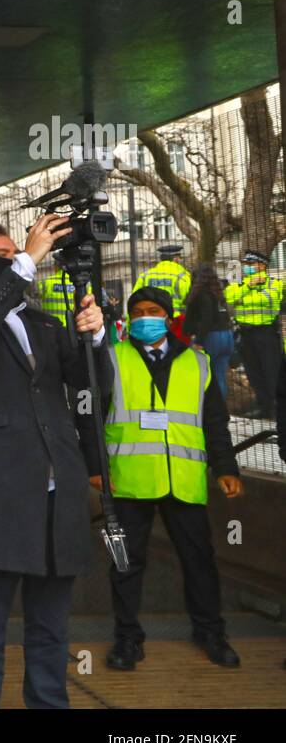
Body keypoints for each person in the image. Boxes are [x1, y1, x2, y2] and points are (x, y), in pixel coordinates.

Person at [0, 217, 107, 709]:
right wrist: (28, 260)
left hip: (57, 500)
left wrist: (95, 341)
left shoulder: (47, 325)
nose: (14, 259)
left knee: (52, 631)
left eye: (17, 253)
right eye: (1, 255)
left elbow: (92, 394)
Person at [91, 287, 243, 670]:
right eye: (138, 311)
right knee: (126, 563)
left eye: (153, 310)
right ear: (129, 319)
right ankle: (127, 640)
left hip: (184, 480)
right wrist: (94, 466)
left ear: (168, 315)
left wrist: (225, 468)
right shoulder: (112, 359)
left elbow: (214, 422)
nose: (145, 317)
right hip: (130, 481)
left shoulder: (199, 362)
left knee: (199, 561)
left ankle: (210, 632)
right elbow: (91, 419)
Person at [225, 249, 283, 418]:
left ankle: (277, 408)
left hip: (266, 335)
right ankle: (264, 406)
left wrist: (244, 296)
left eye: (251, 264)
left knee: (272, 372)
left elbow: (269, 299)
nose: (247, 267)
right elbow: (229, 296)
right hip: (246, 334)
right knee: (253, 372)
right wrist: (248, 286)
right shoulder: (241, 284)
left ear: (262, 266)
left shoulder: (275, 284)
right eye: (246, 264)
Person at [183, 263, 235, 399]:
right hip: (226, 335)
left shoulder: (201, 294)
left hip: (211, 337)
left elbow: (207, 319)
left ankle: (208, 410)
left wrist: (198, 341)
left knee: (205, 375)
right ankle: (221, 408)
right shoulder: (218, 293)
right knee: (219, 375)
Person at [133, 244, 191, 317]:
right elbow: (192, 301)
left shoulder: (145, 276)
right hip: (175, 322)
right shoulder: (183, 276)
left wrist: (130, 325)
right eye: (180, 258)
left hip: (151, 320)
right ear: (176, 259)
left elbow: (134, 302)